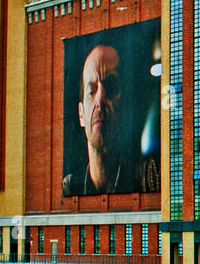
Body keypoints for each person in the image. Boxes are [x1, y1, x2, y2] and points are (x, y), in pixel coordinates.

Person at [63, 43, 160, 197]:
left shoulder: (151, 178)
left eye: (111, 86)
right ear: (81, 114)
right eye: (91, 91)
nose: (100, 99)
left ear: (126, 104)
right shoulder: (69, 188)